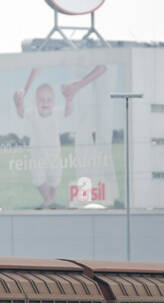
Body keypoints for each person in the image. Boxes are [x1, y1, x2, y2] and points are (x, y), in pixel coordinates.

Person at [13, 65, 107, 208]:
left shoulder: (57, 113)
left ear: (54, 102)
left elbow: (68, 111)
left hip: (54, 155)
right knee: (38, 179)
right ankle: (48, 199)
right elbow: (21, 113)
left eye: (48, 100)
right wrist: (18, 103)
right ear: (35, 102)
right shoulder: (33, 113)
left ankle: (50, 199)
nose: (45, 103)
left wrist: (69, 100)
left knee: (55, 179)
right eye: (41, 100)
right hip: (37, 156)